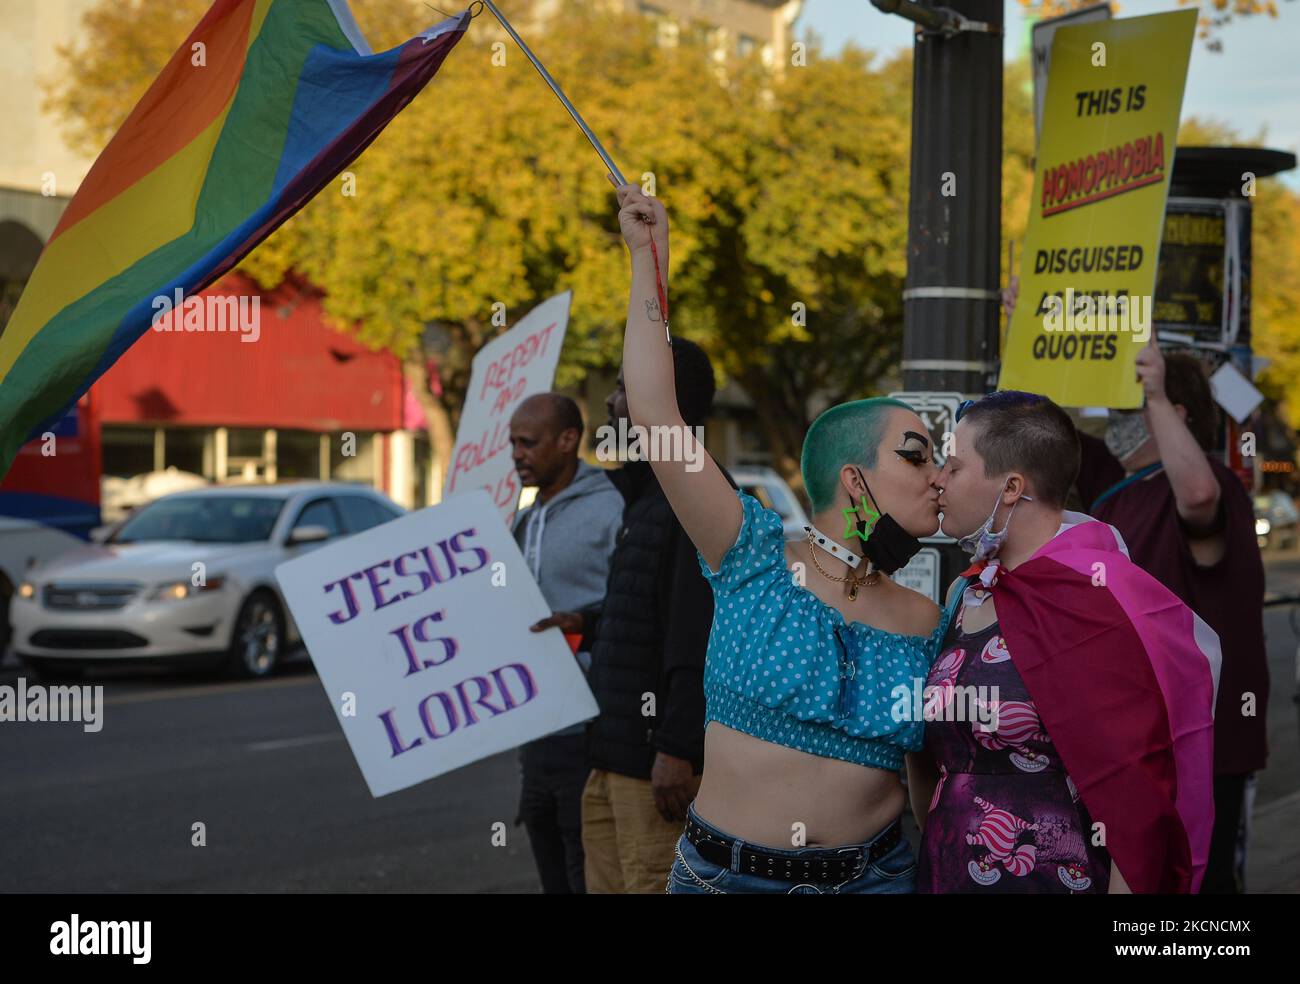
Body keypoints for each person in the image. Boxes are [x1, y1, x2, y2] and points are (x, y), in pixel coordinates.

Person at [613, 182, 950, 895]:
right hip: (727, 883)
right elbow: (654, 411)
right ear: (854, 480)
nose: (938, 476)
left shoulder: (931, 618)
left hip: (878, 882)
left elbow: (932, 793)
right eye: (916, 455)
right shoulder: (752, 554)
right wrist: (649, 261)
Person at [909, 390, 1221, 893]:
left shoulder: (1100, 598)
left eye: (953, 466)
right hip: (947, 872)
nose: (937, 480)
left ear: (1011, 487)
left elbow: (1137, 793)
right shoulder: (964, 592)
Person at [1073, 345, 1268, 894]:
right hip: (1133, 737)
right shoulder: (1118, 483)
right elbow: (1046, 423)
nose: (1116, 424)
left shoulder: (1210, 485)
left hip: (1200, 743)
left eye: (1129, 410)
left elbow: (1199, 495)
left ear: (1174, 412)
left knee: (1198, 884)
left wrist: (1154, 393)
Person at [530, 342, 721, 894]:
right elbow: (649, 613)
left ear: (660, 402)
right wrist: (586, 624)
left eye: (622, 388)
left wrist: (676, 749)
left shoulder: (694, 498)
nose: (611, 402)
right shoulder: (648, 497)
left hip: (652, 770)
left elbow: (696, 635)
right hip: (612, 759)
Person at [508, 393, 623, 894]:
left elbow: (630, 609)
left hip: (592, 731)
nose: (517, 454)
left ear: (569, 440)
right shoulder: (526, 518)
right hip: (537, 730)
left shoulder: (612, 507)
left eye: (528, 443)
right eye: (513, 443)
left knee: (588, 872)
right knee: (550, 868)